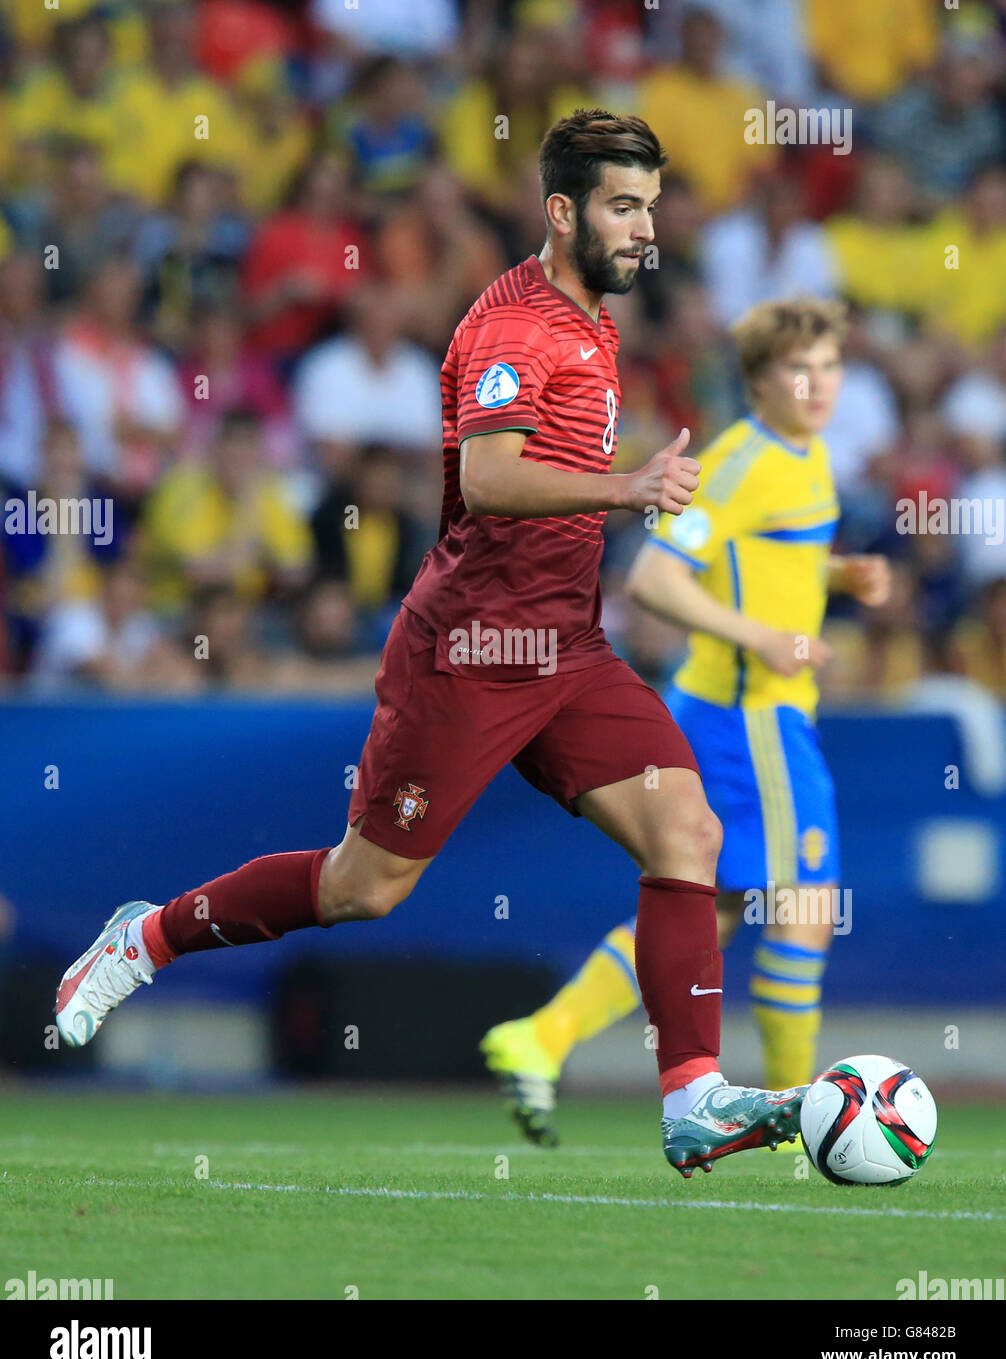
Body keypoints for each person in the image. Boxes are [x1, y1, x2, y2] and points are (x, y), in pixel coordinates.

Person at [54, 109, 807, 1180]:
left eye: (650, 205)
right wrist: (627, 485)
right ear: (563, 211)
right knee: (364, 887)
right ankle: (149, 936)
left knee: (686, 831)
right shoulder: (517, 329)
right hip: (470, 650)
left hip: (565, 648)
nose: (647, 229)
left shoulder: (593, 318)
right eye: (623, 207)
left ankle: (691, 1096)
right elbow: (494, 479)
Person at [482, 296, 892, 1147]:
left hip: (725, 712)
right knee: (805, 908)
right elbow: (656, 581)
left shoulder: (804, 455)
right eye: (796, 370)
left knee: (712, 912)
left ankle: (541, 1034)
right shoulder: (743, 462)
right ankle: (805, 1120)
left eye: (830, 366)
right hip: (756, 721)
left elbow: (767, 557)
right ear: (755, 382)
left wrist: (840, 576)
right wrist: (764, 638)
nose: (818, 385)